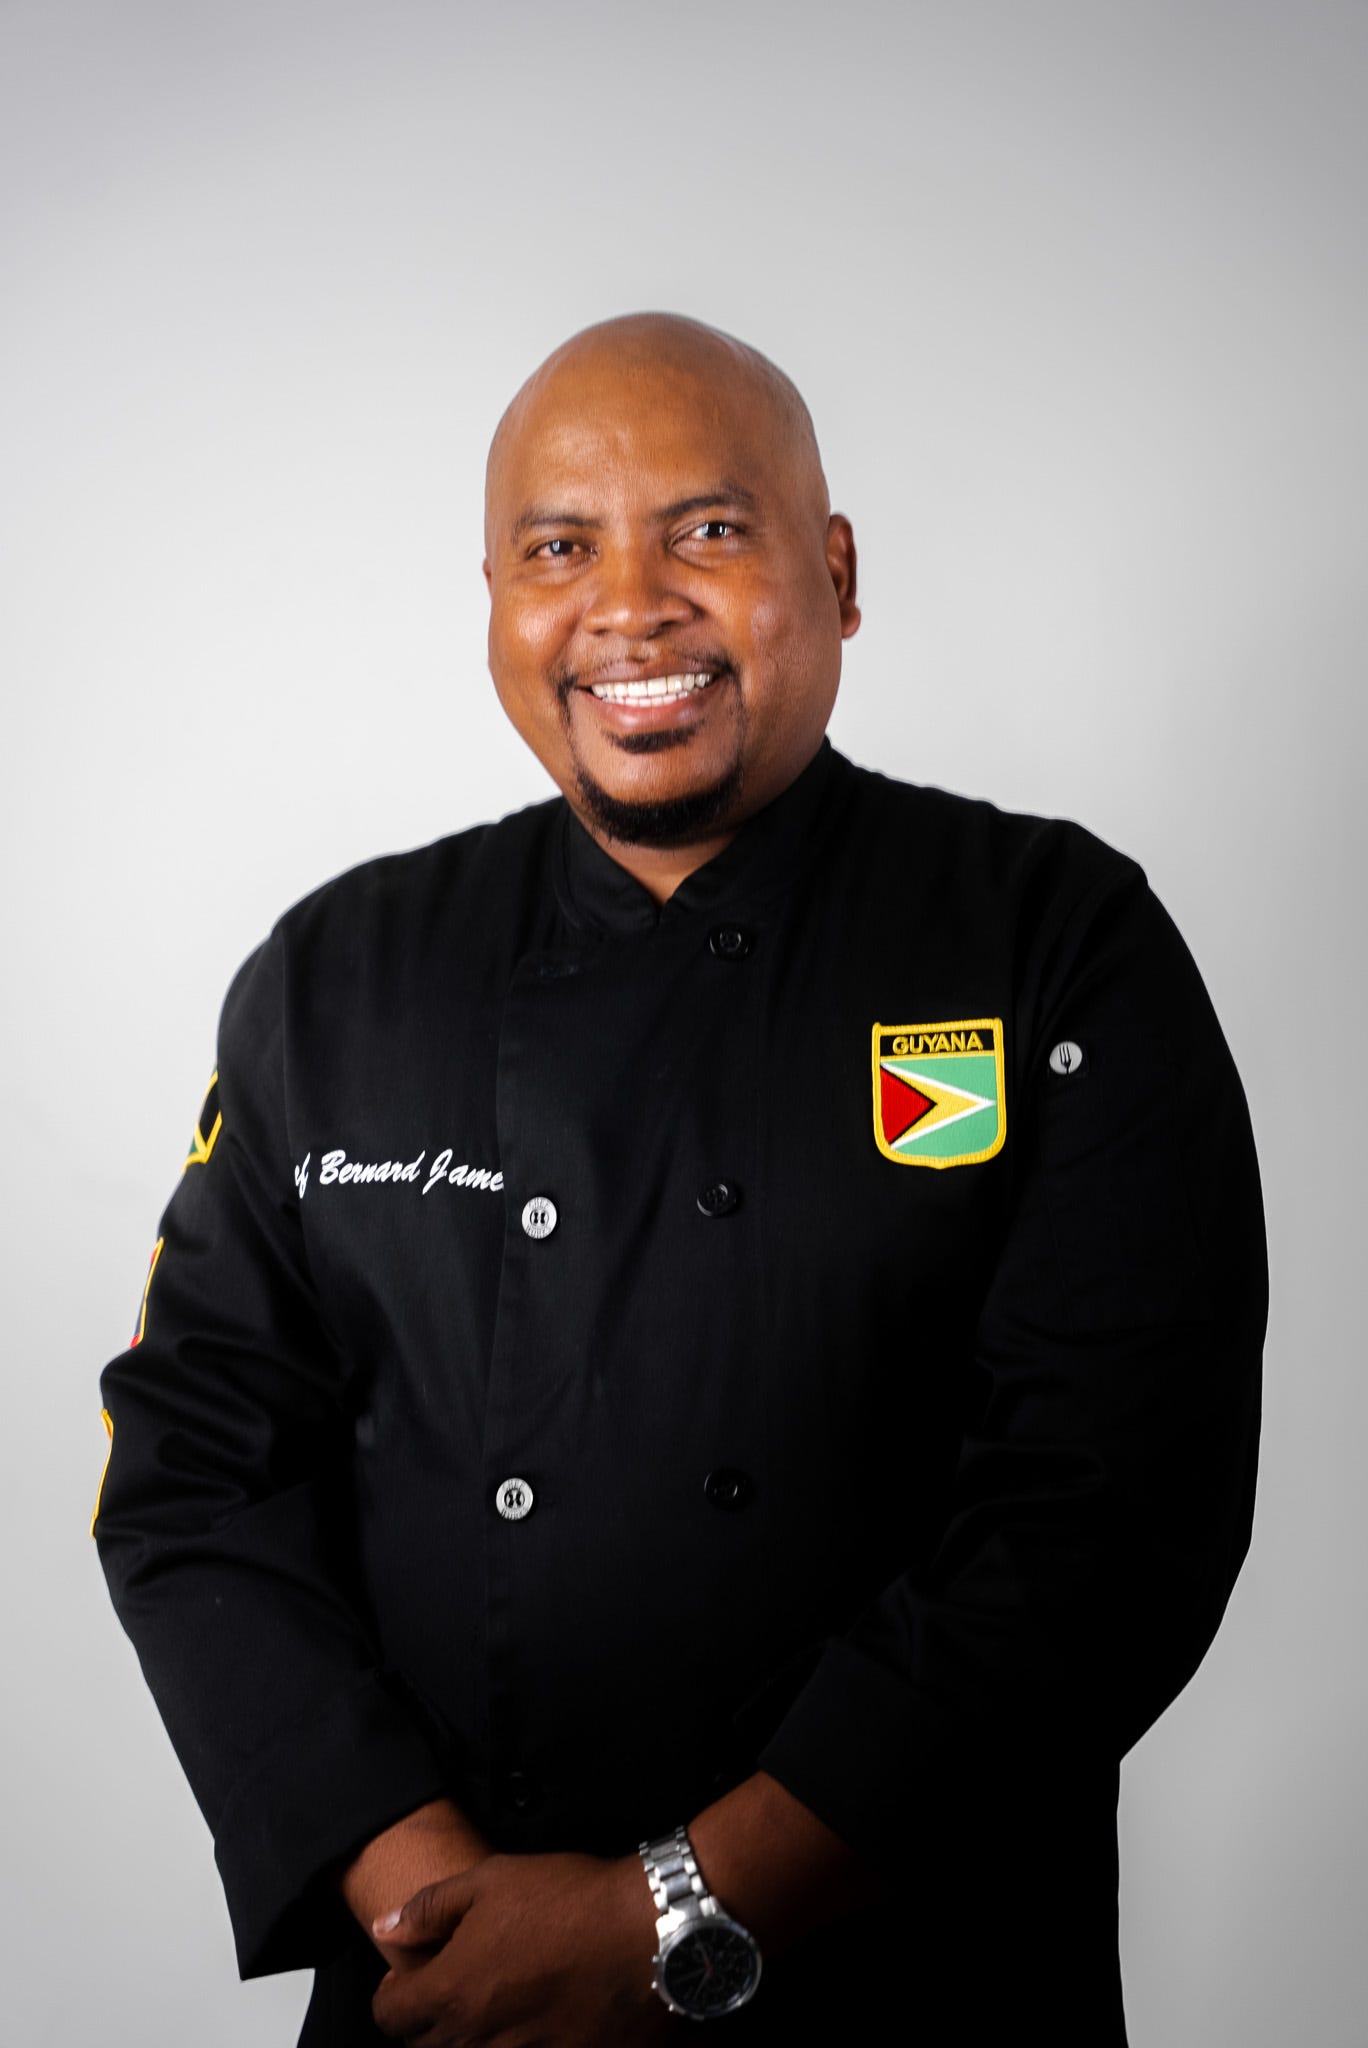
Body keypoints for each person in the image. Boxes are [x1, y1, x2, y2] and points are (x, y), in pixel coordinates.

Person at [95, 312, 1265, 2047]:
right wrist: (439, 1910)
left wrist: (669, 1923)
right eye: (558, 549)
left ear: (836, 575)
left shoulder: (1052, 940)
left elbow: (1111, 1512)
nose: (629, 607)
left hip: (919, 1981)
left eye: (707, 530)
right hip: (447, 1994)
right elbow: (196, 1471)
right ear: (494, 599)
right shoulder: (337, 975)